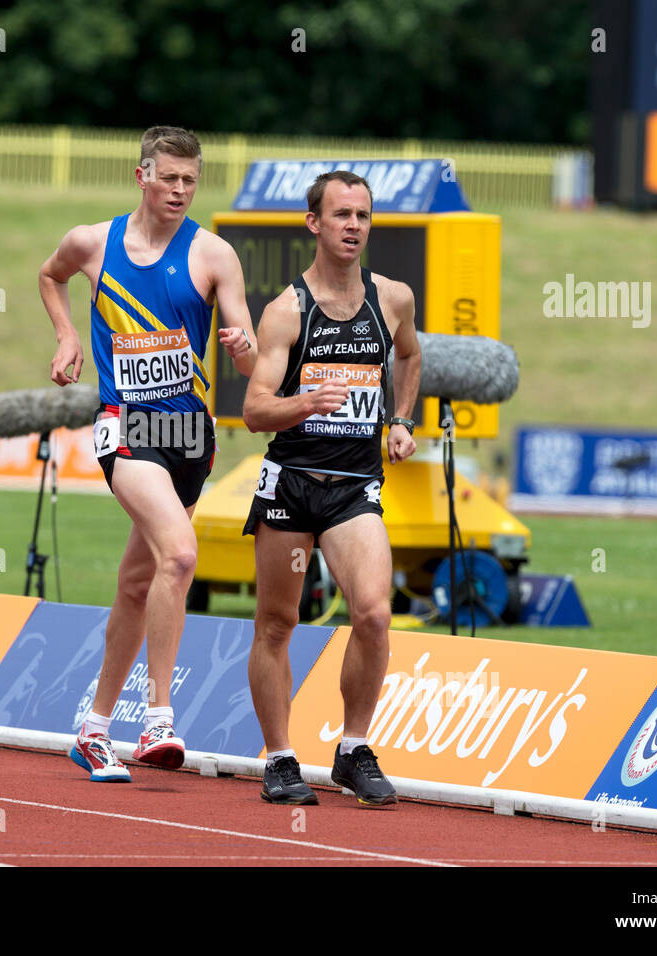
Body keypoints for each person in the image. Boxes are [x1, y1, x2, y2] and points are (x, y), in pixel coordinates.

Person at [38, 126, 258, 782]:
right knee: (183, 552)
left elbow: (242, 327)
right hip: (124, 428)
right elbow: (49, 277)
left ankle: (93, 728)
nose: (181, 192)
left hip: (190, 438)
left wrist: (243, 349)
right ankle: (158, 718)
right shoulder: (92, 243)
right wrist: (67, 335)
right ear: (143, 176)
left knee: (139, 582)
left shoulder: (214, 255)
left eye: (191, 181)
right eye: (170, 179)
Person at [241, 170, 421, 806]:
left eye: (363, 216)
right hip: (291, 484)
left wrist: (399, 420)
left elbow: (408, 355)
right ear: (314, 223)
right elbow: (255, 410)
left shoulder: (392, 299)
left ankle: (352, 747)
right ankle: (281, 758)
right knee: (277, 622)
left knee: (373, 614)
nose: (353, 226)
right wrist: (306, 400)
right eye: (341, 215)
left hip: (354, 487)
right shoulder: (287, 311)